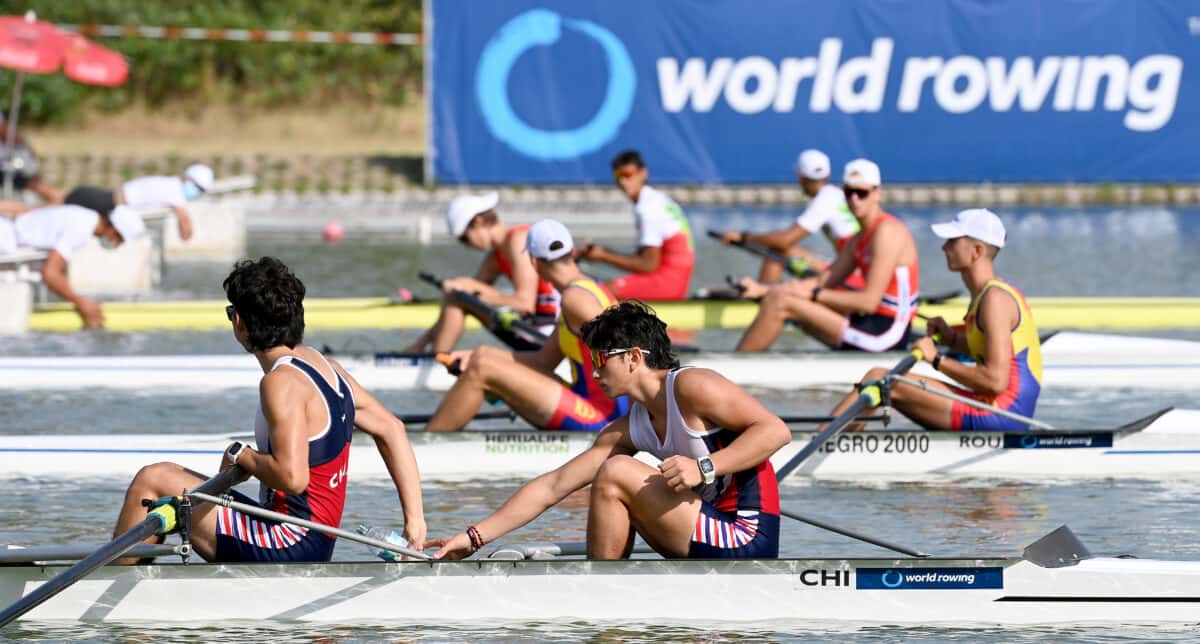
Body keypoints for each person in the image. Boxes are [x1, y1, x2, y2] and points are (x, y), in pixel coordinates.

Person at [111, 257, 426, 563]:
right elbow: (392, 428)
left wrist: (242, 455)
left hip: (288, 543)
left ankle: (104, 589)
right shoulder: (328, 368)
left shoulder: (280, 382)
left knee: (154, 478)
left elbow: (292, 477)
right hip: (316, 540)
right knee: (175, 486)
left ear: (240, 322)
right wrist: (416, 521)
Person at [429, 300, 790, 560]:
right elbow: (554, 485)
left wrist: (704, 467)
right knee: (610, 472)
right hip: (704, 526)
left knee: (617, 471)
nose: (595, 373)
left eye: (600, 360)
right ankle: (604, 586)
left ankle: (601, 586)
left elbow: (775, 431)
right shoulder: (631, 426)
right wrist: (473, 537)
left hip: (746, 536)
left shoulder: (694, 386)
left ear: (634, 357)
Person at [829, 209, 1042, 431]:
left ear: (977, 251)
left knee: (880, 379)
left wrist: (937, 360)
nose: (944, 247)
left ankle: (823, 440)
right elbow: (988, 351)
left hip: (1001, 414)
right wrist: (951, 339)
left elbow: (994, 381)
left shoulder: (994, 300)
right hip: (1000, 411)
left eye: (952, 241)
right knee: (881, 380)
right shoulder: (988, 294)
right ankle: (841, 443)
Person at [426, 219, 629, 431]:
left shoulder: (574, 298)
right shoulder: (591, 289)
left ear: (533, 262)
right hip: (589, 401)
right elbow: (543, 361)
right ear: (572, 252)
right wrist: (478, 354)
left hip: (601, 417)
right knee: (483, 359)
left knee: (482, 369)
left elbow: (621, 351)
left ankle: (424, 449)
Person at [736, 159, 920, 353]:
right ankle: (738, 365)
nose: (855, 199)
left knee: (782, 303)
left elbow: (868, 301)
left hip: (886, 334)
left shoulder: (887, 232)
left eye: (862, 193)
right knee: (779, 296)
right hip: (866, 323)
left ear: (877, 193)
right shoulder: (858, 239)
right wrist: (764, 290)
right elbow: (822, 282)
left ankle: (731, 373)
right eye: (849, 192)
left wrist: (811, 295)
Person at [404, 192, 560, 353]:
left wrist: (465, 289)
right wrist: (420, 343)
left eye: (464, 238)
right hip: (533, 329)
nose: (466, 246)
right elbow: (458, 299)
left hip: (552, 336)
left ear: (478, 222)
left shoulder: (519, 239)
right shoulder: (494, 259)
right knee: (458, 295)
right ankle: (431, 357)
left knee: (462, 288)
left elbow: (525, 304)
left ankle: (435, 359)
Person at [719, 149, 860, 283]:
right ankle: (766, 294)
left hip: (854, 276)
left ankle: (764, 299)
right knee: (780, 249)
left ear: (800, 176)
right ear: (828, 175)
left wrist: (744, 237)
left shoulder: (824, 200)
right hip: (853, 269)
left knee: (778, 250)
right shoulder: (836, 194)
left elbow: (784, 240)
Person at [0, 204, 145, 328]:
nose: (118, 244)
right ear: (113, 228)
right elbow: (50, 274)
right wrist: (81, 302)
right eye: (120, 239)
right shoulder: (81, 229)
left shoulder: (83, 215)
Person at [576, 150, 694, 300]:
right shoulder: (656, 199)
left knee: (600, 293)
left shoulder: (647, 208)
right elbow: (645, 258)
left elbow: (648, 265)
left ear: (643, 173)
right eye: (618, 176)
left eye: (628, 174)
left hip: (667, 283)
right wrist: (603, 252)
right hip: (677, 281)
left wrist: (603, 256)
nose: (622, 182)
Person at [62, 164, 215, 242]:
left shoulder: (170, 185)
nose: (198, 193)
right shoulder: (175, 191)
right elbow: (186, 232)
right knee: (58, 203)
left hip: (106, 201)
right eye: (199, 189)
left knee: (59, 203)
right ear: (188, 179)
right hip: (104, 204)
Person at [0, 115, 63, 204]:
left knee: (49, 192)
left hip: (6, 170)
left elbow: (11, 136)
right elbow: (9, 134)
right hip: (4, 172)